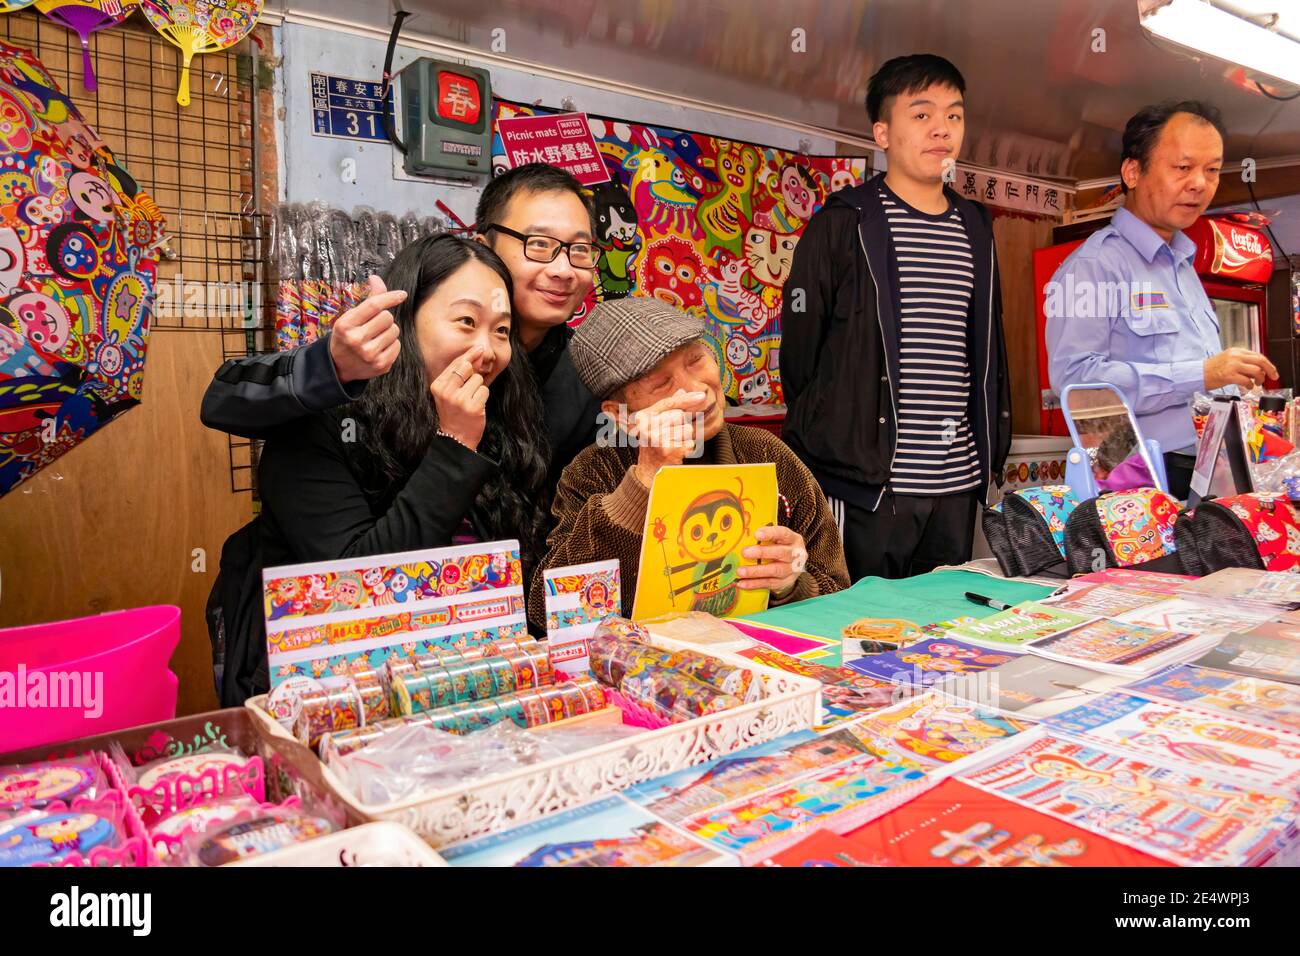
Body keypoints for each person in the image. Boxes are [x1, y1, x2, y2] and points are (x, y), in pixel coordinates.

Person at [207, 235, 549, 705]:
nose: (486, 350)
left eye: (502, 330)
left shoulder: (499, 419)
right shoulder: (328, 422)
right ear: (402, 323)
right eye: (466, 322)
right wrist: (454, 447)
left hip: (463, 687)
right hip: (339, 696)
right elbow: (363, 590)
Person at [199, 163, 604, 495]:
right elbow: (222, 403)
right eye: (539, 244)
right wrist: (332, 367)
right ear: (483, 245)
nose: (564, 269)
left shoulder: (586, 375)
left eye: (581, 250)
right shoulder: (389, 346)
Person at [780, 53, 1011, 582]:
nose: (942, 130)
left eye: (954, 116)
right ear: (882, 133)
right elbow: (801, 356)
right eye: (922, 114)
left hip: (957, 482)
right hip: (869, 486)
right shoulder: (845, 223)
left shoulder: (976, 225)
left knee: (938, 631)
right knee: (857, 631)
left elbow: (987, 347)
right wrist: (838, 432)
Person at [528, 297, 849, 628]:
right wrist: (645, 480)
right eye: (660, 383)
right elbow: (549, 613)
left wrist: (791, 584)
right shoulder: (592, 473)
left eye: (696, 360)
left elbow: (838, 596)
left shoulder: (769, 456)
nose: (696, 391)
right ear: (620, 415)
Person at [1046, 100, 1278, 499]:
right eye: (1183, 168)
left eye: (1212, 170)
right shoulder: (1093, 266)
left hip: (1209, 469)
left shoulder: (1183, 264)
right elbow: (1077, 384)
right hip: (1143, 478)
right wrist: (1202, 374)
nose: (1200, 184)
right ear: (1133, 172)